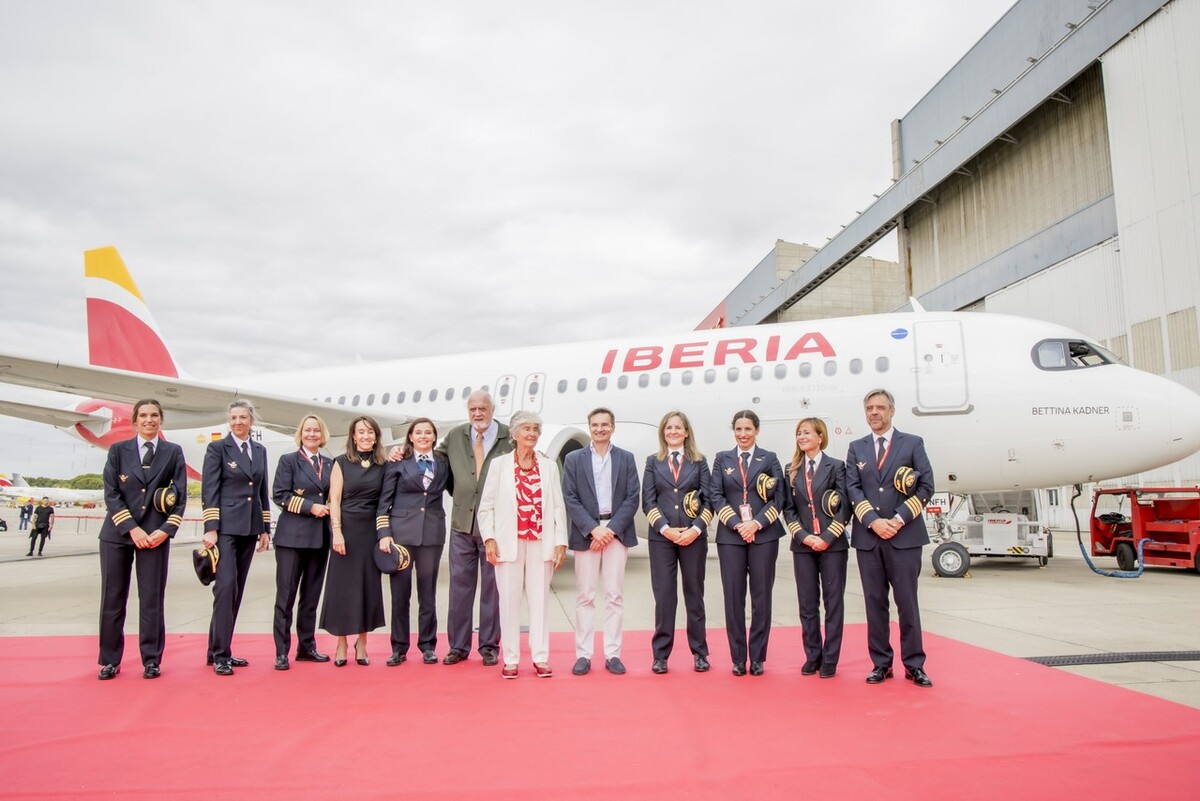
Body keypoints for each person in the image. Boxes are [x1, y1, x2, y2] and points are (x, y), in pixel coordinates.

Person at [845, 388, 935, 688]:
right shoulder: (856, 448)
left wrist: (896, 520)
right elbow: (853, 489)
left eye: (880, 407)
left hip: (904, 536)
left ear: (891, 411)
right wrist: (873, 521)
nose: (874, 413)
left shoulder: (912, 443)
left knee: (907, 603)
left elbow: (925, 486)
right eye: (869, 408)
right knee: (875, 604)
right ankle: (881, 664)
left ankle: (914, 664)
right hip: (870, 539)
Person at [96, 398, 187, 680]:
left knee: (151, 599)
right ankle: (110, 660)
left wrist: (165, 530)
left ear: (161, 420)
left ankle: (151, 659)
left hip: (156, 535)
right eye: (144, 415)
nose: (149, 420)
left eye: (155, 415)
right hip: (118, 534)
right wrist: (132, 528)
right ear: (135, 421)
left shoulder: (173, 452)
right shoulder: (118, 450)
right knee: (113, 599)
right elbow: (111, 493)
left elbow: (180, 496)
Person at [478, 410, 568, 679]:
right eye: (526, 429)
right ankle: (511, 658)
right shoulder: (499, 465)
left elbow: (557, 508)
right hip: (508, 543)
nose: (531, 434)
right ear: (514, 434)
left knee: (540, 602)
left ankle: (540, 657)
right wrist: (490, 539)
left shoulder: (549, 467)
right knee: (508, 602)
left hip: (541, 542)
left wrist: (561, 541)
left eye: (535, 430)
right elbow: (486, 507)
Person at [436, 390, 513, 666]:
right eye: (472, 409)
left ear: (493, 409)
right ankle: (457, 646)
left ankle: (489, 646)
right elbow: (437, 464)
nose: (477, 413)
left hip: (496, 527)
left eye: (482, 408)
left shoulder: (508, 436)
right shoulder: (456, 436)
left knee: (493, 589)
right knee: (459, 588)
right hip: (462, 524)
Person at [563, 408, 640, 676]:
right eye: (595, 425)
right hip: (588, 533)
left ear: (613, 427)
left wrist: (611, 529)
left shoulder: (627, 459)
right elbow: (570, 498)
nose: (600, 429)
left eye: (605, 424)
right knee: (585, 596)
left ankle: (612, 654)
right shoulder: (574, 459)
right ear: (589, 427)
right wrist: (594, 529)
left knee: (614, 596)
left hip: (616, 532)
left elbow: (633, 497)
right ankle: (583, 654)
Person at [710, 409, 785, 676]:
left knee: (761, 597)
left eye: (748, 429)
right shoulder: (722, 459)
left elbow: (779, 497)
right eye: (739, 429)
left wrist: (756, 523)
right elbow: (716, 495)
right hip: (731, 536)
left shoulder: (770, 459)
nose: (743, 434)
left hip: (764, 535)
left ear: (757, 431)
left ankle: (758, 657)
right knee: (733, 598)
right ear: (734, 431)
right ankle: (738, 657)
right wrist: (737, 524)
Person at [202, 400, 271, 676]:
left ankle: (217, 649)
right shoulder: (218, 448)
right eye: (233, 417)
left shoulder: (259, 450)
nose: (238, 422)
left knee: (236, 590)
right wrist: (210, 527)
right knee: (225, 588)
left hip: (250, 527)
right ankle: (221, 654)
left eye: (243, 417)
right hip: (227, 528)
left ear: (251, 420)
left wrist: (265, 528)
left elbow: (262, 489)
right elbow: (210, 489)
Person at [642, 410, 713, 674]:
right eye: (668, 427)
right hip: (662, 540)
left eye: (677, 428)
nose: (672, 431)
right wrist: (665, 529)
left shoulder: (700, 462)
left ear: (686, 432)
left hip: (693, 538)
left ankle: (700, 652)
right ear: (663, 432)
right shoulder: (653, 462)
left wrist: (695, 529)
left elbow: (709, 501)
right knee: (664, 598)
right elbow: (647, 502)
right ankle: (660, 655)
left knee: (695, 596)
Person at [376, 418, 451, 667]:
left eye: (427, 432)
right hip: (402, 536)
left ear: (434, 437)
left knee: (427, 594)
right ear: (410, 436)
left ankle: (428, 646)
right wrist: (384, 533)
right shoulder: (398, 462)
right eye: (418, 432)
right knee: (400, 594)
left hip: (431, 535)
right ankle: (399, 647)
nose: (422, 436)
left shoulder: (442, 461)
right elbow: (384, 502)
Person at [782, 417, 850, 679]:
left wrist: (828, 537)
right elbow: (788, 509)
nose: (801, 437)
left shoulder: (836, 467)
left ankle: (830, 658)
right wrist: (802, 536)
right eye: (799, 433)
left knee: (833, 603)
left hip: (832, 545)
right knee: (807, 604)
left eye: (807, 432)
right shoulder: (791, 468)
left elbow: (844, 505)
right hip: (803, 546)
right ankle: (813, 655)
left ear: (820, 437)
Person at [320, 415, 387, 667]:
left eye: (370, 432)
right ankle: (341, 642)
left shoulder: (383, 465)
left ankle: (362, 643)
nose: (366, 436)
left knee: (366, 587)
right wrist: (336, 531)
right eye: (361, 432)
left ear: (376, 436)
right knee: (342, 589)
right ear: (353, 436)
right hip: (346, 529)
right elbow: (334, 499)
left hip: (371, 531)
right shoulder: (341, 463)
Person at [270, 414, 334, 671]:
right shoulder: (289, 461)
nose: (312, 434)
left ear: (322, 434)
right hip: (292, 539)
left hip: (319, 539)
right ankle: (281, 651)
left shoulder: (330, 464)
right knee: (285, 597)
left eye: (316, 431)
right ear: (301, 434)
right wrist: (311, 507)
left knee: (310, 597)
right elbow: (280, 495)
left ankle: (306, 646)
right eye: (307, 430)